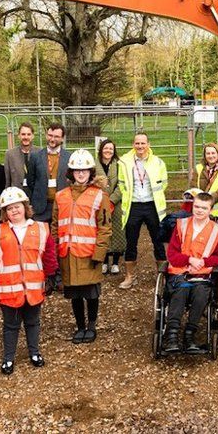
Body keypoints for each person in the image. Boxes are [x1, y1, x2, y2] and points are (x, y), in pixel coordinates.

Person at [0, 187, 59, 375]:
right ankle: (8, 358)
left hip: (34, 287)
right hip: (8, 289)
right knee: (10, 325)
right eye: (9, 208)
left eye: (17, 207)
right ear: (4, 212)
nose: (14, 211)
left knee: (33, 322)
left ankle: (34, 352)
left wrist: (51, 276)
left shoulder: (41, 229)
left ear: (25, 207)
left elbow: (49, 255)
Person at [52, 149, 112, 343]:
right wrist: (54, 251)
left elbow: (105, 227)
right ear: (71, 173)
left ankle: (92, 326)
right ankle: (80, 326)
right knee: (75, 293)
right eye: (77, 170)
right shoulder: (60, 196)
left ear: (90, 172)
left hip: (89, 254)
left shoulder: (99, 196)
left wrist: (99, 253)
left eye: (84, 170)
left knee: (91, 293)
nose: (80, 174)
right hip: (67, 253)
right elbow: (55, 226)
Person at [163, 192, 218, 353]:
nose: (199, 210)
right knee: (181, 290)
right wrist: (189, 260)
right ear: (192, 206)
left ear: (211, 210)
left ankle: (189, 335)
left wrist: (204, 262)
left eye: (204, 208)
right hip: (180, 273)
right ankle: (171, 335)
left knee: (201, 294)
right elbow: (171, 254)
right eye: (197, 206)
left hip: (202, 276)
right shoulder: (181, 225)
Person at [116, 132, 168, 289]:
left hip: (152, 205)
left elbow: (164, 183)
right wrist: (129, 196)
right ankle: (130, 276)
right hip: (134, 205)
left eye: (143, 143)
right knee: (131, 242)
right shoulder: (124, 162)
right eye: (137, 143)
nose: (140, 146)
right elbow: (121, 183)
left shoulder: (158, 162)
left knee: (158, 240)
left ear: (148, 144)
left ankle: (162, 275)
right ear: (133, 145)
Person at [190, 142, 218, 281]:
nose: (210, 156)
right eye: (208, 153)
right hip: (202, 214)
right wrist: (199, 199)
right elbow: (193, 185)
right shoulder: (199, 169)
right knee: (203, 241)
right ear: (204, 155)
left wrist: (208, 200)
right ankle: (205, 270)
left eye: (213, 153)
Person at [24, 122, 70, 222]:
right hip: (41, 208)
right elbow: (30, 181)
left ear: (62, 138)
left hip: (62, 206)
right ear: (46, 135)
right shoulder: (35, 156)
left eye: (56, 136)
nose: (52, 139)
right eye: (50, 135)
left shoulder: (69, 157)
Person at [96, 139, 126, 275]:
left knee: (117, 231)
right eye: (105, 148)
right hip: (98, 202)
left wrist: (112, 200)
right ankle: (103, 261)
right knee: (101, 230)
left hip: (116, 203)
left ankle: (115, 262)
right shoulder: (94, 164)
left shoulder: (119, 165)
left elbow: (122, 184)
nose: (108, 151)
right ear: (101, 149)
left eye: (111, 149)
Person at [4, 121, 38, 189]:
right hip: (17, 195)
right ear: (18, 136)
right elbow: (7, 179)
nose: (26, 137)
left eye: (28, 134)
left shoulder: (40, 152)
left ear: (33, 136)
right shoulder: (10, 154)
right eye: (23, 134)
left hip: (35, 193)